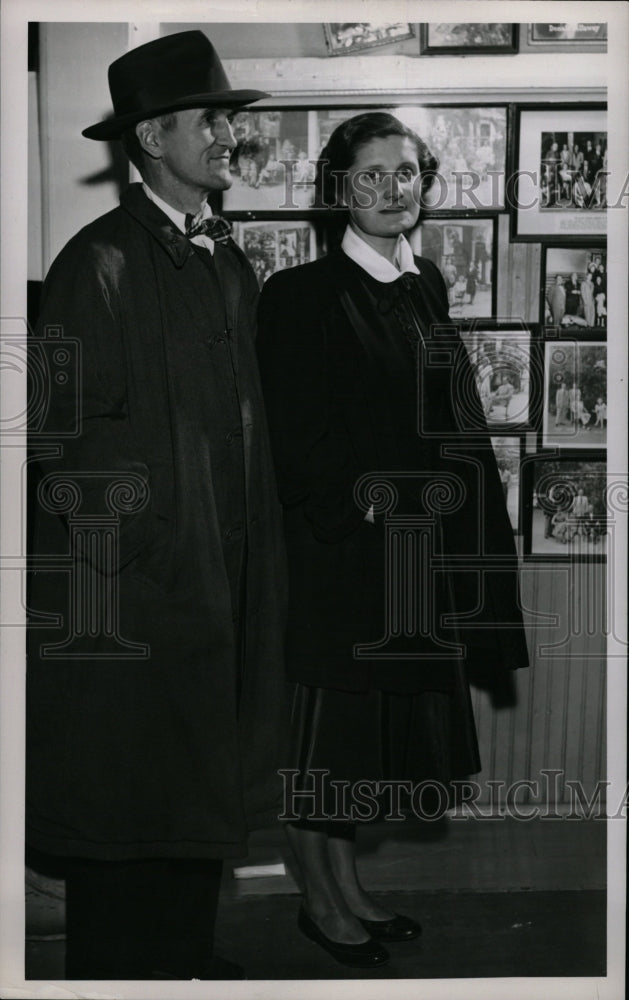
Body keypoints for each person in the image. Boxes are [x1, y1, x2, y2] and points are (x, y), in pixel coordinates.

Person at [27, 31, 287, 981]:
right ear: (150, 138)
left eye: (226, 119)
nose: (227, 136)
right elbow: (59, 441)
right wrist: (163, 538)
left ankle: (180, 968)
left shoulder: (227, 262)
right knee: (126, 831)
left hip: (219, 604)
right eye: (209, 119)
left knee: (194, 817)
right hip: (140, 612)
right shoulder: (95, 262)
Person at [256, 112, 528, 970]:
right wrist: (375, 506)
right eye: (367, 175)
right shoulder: (299, 293)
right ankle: (319, 904)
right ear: (337, 190)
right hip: (339, 560)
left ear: (424, 184)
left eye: (403, 173)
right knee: (322, 748)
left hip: (413, 562)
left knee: (358, 748)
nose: (389, 190)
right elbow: (298, 440)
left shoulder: (422, 282)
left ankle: (348, 889)